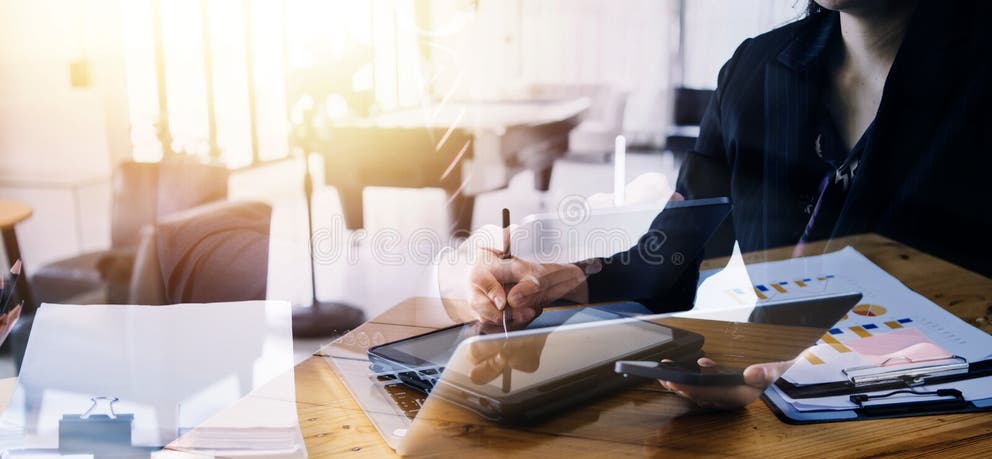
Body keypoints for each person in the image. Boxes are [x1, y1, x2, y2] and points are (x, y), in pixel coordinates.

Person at [441, 0, 992, 409]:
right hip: (758, 404)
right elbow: (675, 258)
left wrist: (817, 374)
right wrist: (563, 283)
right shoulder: (752, 73)